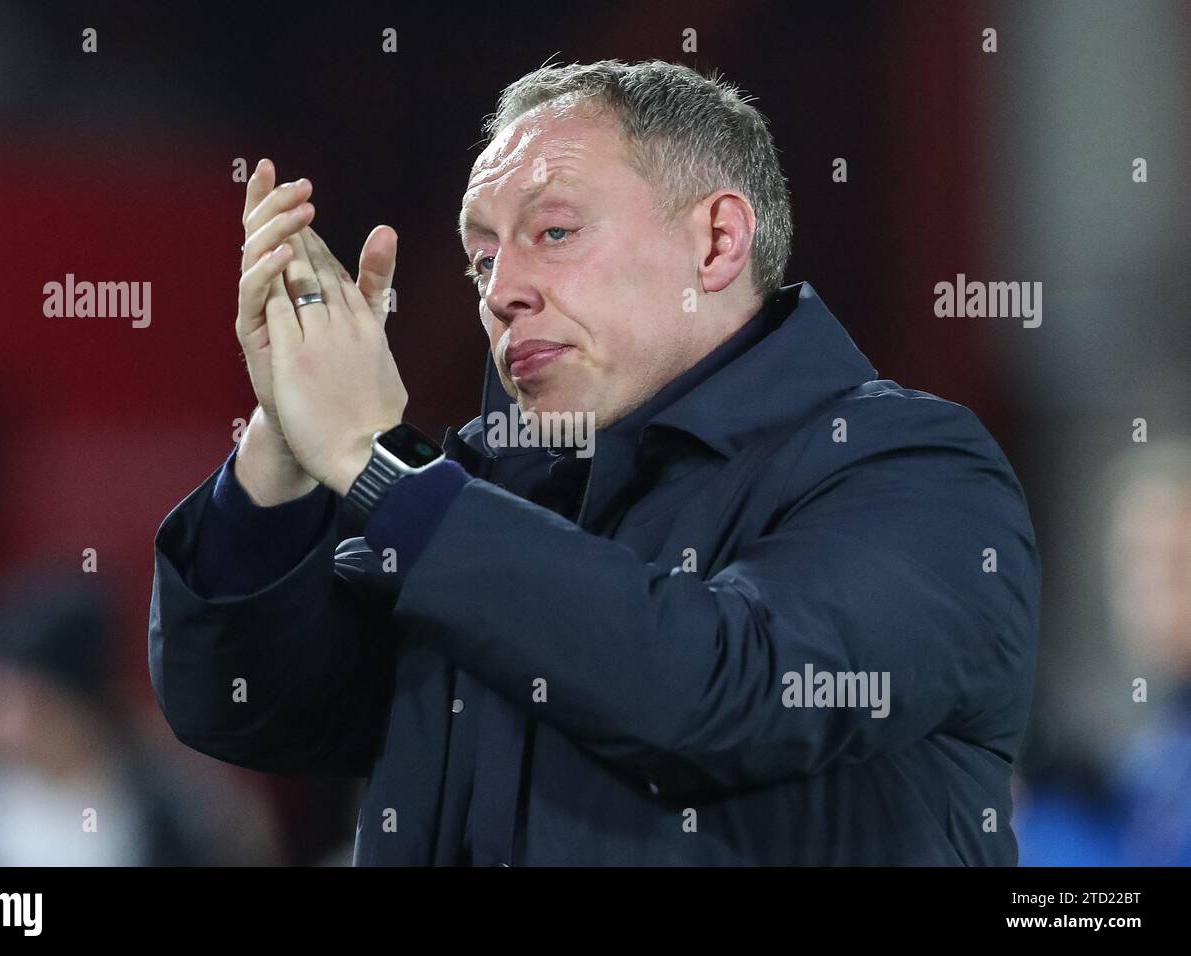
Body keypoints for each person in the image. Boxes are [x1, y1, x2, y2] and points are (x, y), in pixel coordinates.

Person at [148, 59, 1040, 865]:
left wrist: (372, 463)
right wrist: (286, 439)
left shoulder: (919, 471)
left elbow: (722, 693)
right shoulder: (471, 495)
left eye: (556, 232)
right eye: (481, 258)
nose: (500, 294)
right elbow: (241, 705)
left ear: (719, 243)